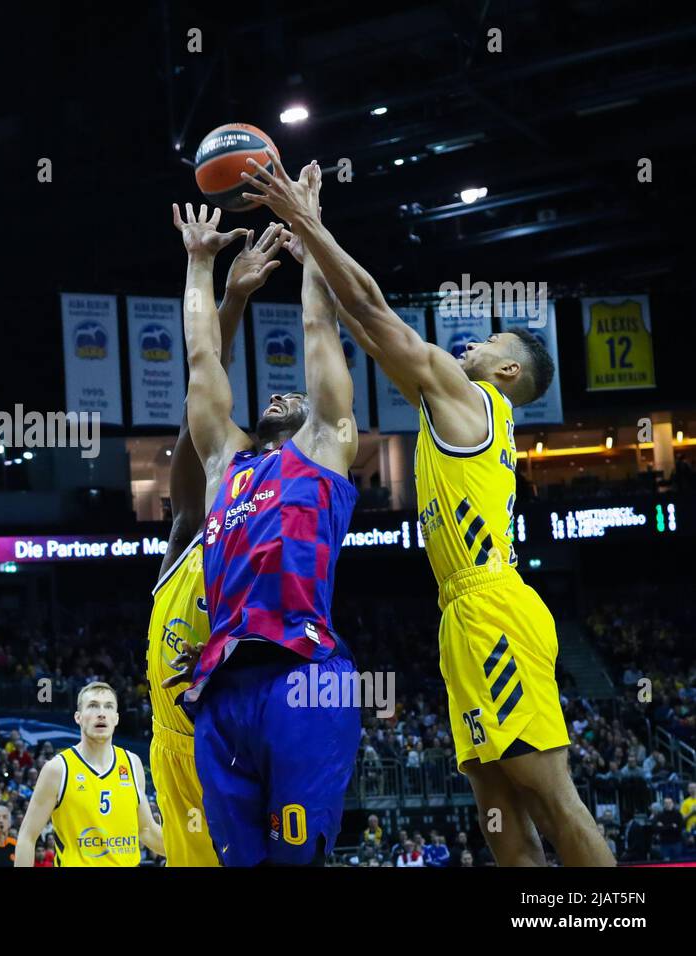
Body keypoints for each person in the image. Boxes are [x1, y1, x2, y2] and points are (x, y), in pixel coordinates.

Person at [240, 152, 614, 867]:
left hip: (493, 609)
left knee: (555, 801)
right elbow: (346, 330)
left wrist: (310, 223)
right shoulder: (450, 404)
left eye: (490, 342)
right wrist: (314, 256)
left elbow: (376, 313)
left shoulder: (472, 398)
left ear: (507, 372)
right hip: (463, 618)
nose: (471, 342)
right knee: (500, 818)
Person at [169, 185, 362, 867]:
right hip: (223, 690)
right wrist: (199, 264)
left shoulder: (327, 447)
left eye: (297, 393)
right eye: (273, 393)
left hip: (306, 676)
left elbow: (318, 331)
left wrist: (311, 242)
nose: (284, 391)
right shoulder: (226, 463)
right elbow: (200, 363)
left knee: (299, 861)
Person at [145, 219, 278, 867]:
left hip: (246, 744)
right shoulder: (198, 524)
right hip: (176, 747)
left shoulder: (293, 533)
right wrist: (229, 298)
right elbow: (203, 376)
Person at [15, 682, 163, 867]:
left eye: (108, 706)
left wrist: (196, 845)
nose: (101, 713)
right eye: (93, 706)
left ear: (116, 718)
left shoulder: (132, 763)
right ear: (78, 717)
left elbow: (147, 830)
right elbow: (27, 837)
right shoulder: (58, 769)